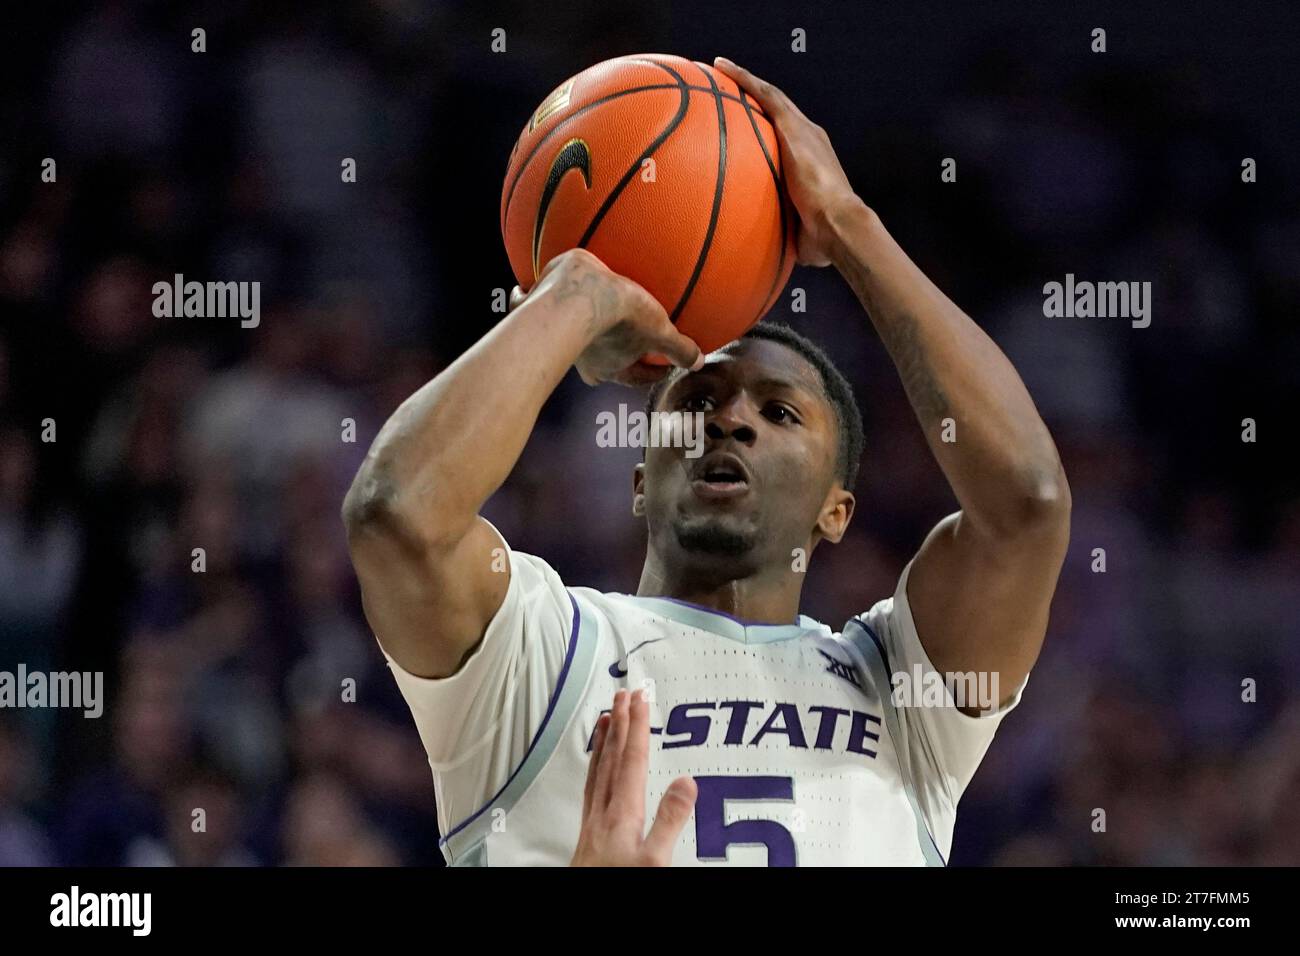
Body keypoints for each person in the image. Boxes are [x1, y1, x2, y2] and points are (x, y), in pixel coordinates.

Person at [342, 57, 1070, 866]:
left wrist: (851, 224)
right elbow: (395, 511)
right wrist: (578, 291)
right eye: (697, 402)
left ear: (837, 508)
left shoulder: (902, 694)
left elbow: (1027, 506)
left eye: (780, 412)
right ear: (641, 479)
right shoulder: (542, 650)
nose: (730, 421)